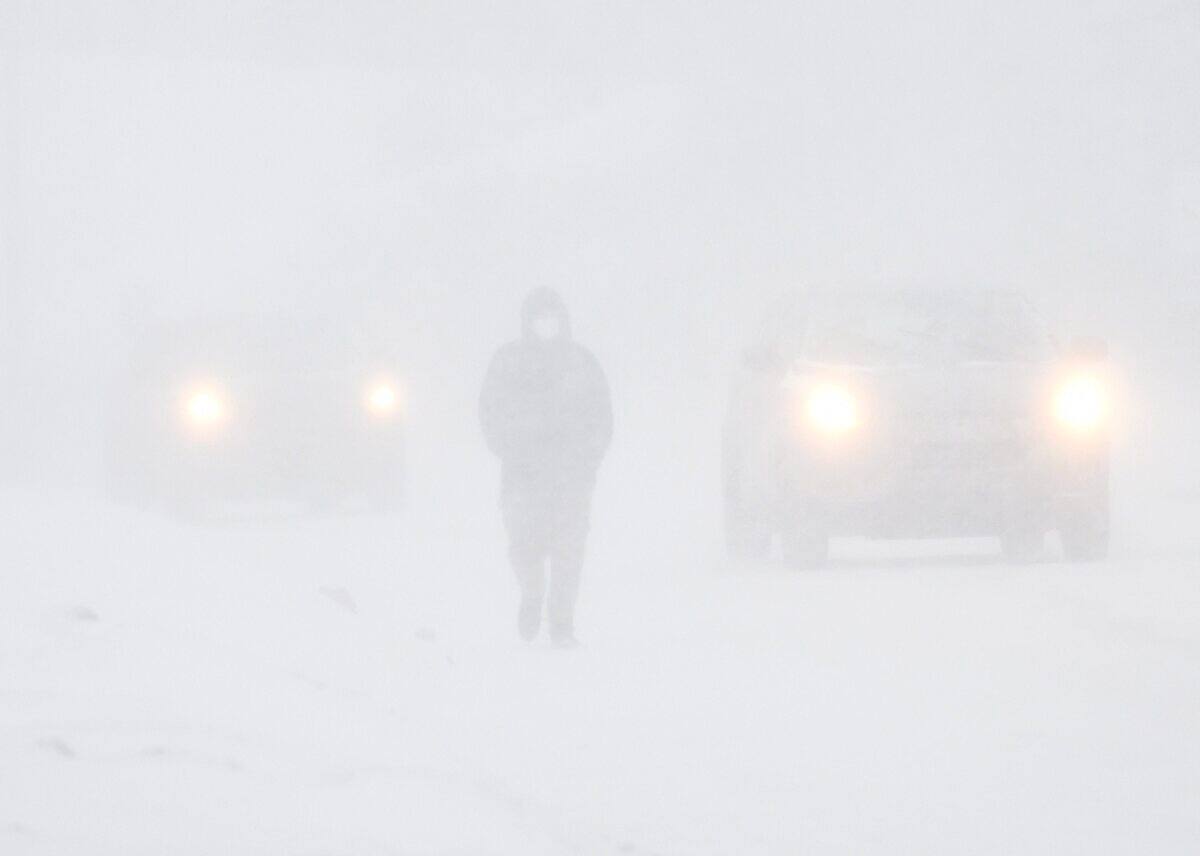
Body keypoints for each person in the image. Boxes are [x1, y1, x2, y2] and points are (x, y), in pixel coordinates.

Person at [480, 288, 612, 646]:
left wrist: (588, 459)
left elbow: (602, 417)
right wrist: (514, 449)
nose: (546, 326)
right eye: (540, 318)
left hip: (572, 478)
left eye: (553, 317)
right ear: (527, 321)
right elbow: (490, 414)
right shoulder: (508, 362)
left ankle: (562, 624)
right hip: (522, 477)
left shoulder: (582, 363)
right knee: (524, 548)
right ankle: (532, 594)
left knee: (569, 550)